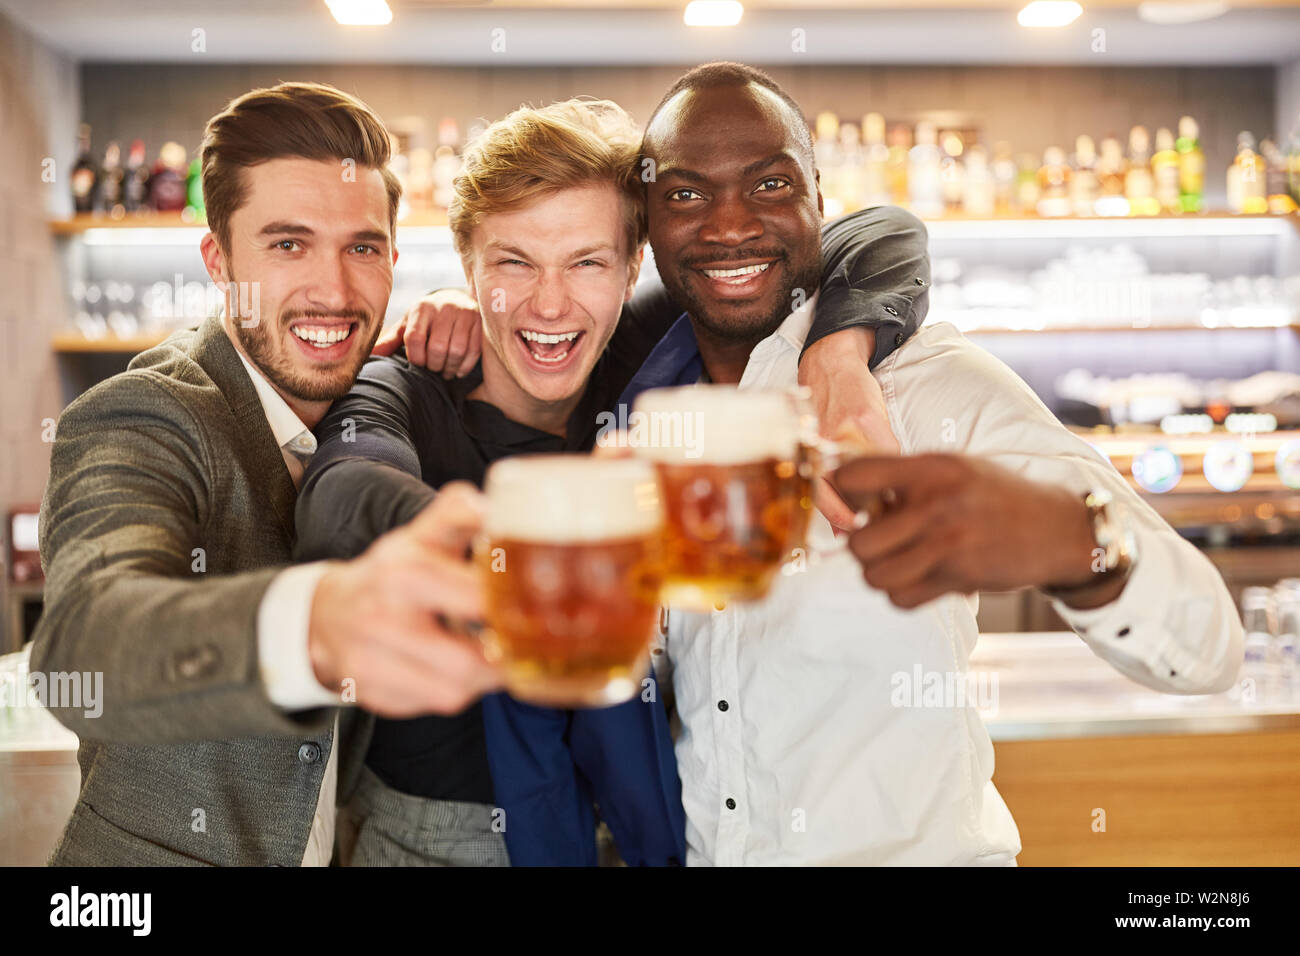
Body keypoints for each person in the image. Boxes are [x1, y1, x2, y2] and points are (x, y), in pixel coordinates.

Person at [621, 61, 1244, 864]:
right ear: (646, 220)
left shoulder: (926, 383)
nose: (729, 224)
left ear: (817, 196)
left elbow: (1210, 650)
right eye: (685, 194)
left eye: (770, 185)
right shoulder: (643, 408)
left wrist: (1076, 546)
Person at [294, 96, 931, 865]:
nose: (551, 304)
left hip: (650, 820)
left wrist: (838, 350)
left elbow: (879, 233)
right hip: (443, 840)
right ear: (466, 262)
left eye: (587, 262)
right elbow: (339, 499)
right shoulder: (403, 389)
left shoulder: (638, 351)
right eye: (513, 262)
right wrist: (537, 543)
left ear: (635, 267)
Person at [30, 82, 502, 866]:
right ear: (219, 260)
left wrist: (454, 303)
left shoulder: (370, 398)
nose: (334, 291)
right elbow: (84, 650)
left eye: (362, 246)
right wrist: (315, 626)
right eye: (287, 244)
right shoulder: (147, 412)